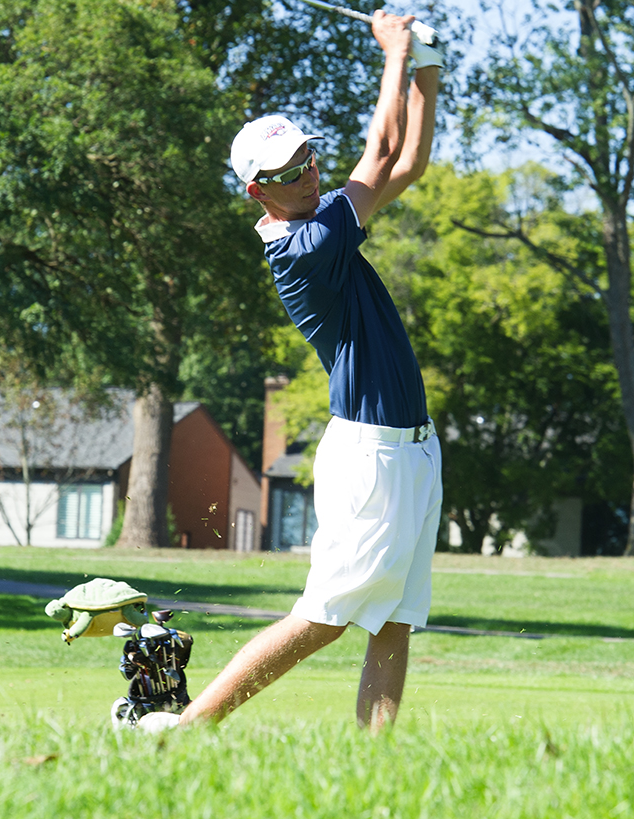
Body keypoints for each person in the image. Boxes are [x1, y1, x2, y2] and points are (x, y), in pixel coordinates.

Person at [146, 11, 443, 734]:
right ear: (258, 191)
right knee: (325, 615)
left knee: (395, 619)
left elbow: (407, 165)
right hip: (371, 454)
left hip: (413, 448)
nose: (306, 176)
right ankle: (187, 732)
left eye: (308, 159)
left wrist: (427, 72)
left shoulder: (324, 216)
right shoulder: (305, 246)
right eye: (285, 174)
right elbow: (381, 149)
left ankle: (376, 763)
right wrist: (394, 54)